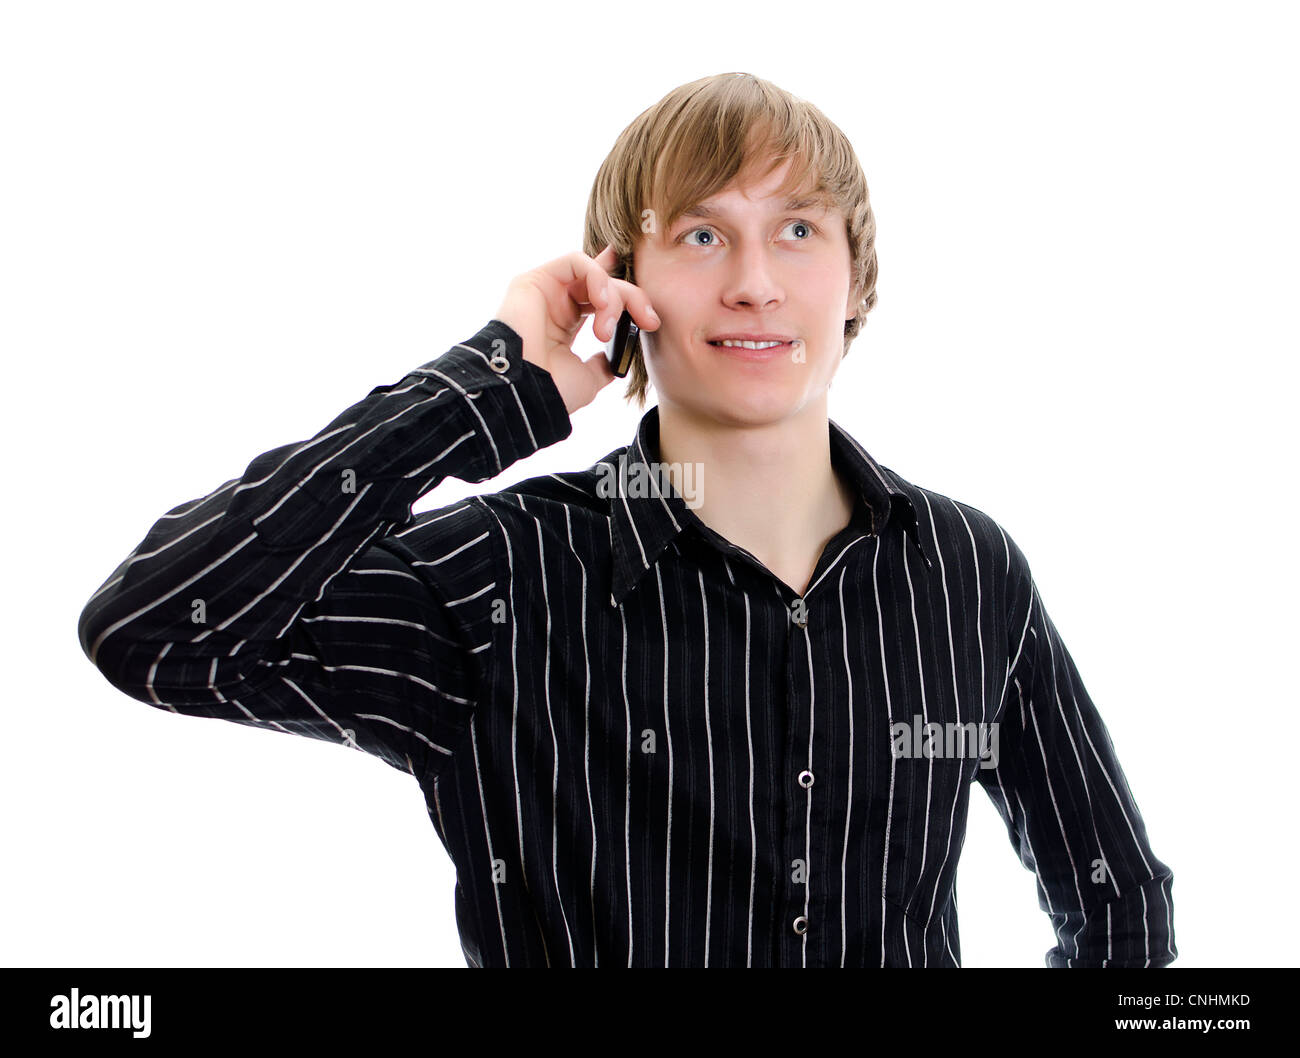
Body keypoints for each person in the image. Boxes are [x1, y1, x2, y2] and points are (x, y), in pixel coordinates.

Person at [77, 72, 1176, 968]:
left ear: (855, 283)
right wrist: (493, 383)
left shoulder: (965, 570)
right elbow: (157, 630)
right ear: (619, 286)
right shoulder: (503, 575)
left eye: (796, 229)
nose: (753, 283)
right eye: (700, 238)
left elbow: (1118, 899)